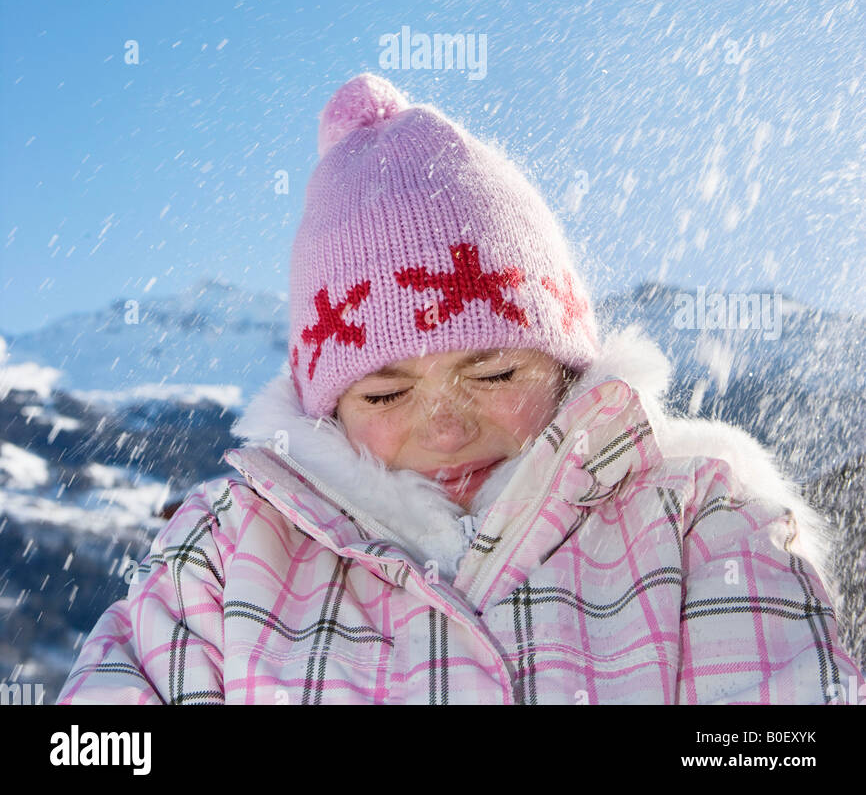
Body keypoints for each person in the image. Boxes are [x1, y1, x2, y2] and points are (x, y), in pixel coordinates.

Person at [57, 73, 864, 705]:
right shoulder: (229, 558)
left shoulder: (698, 524)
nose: (444, 428)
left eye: (494, 373)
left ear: (567, 364)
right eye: (383, 394)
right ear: (325, 406)